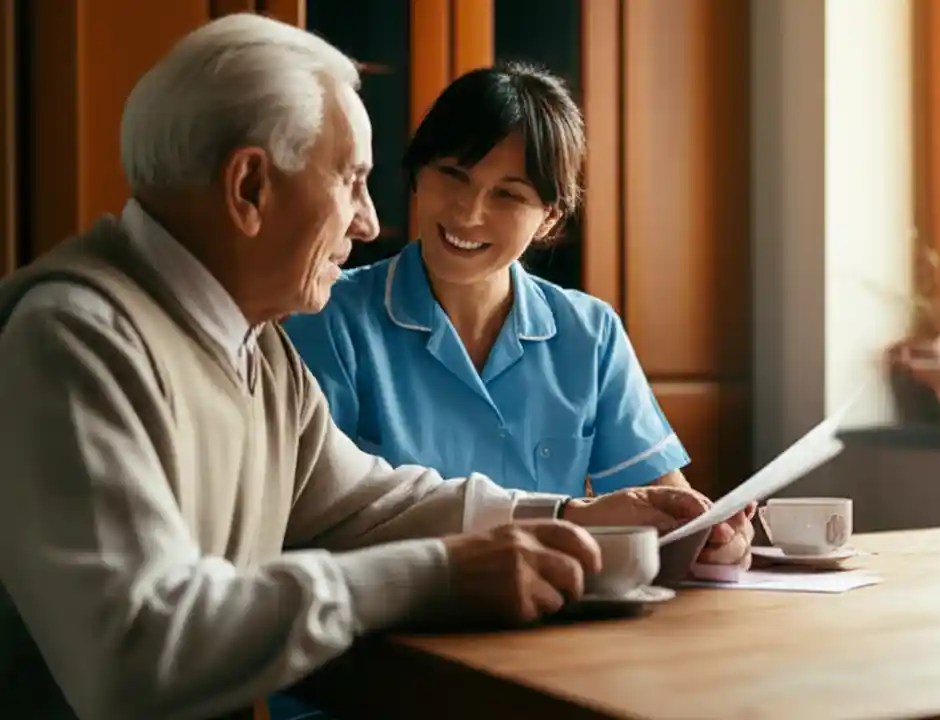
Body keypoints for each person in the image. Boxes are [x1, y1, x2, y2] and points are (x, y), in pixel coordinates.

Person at [0, 15, 717, 720]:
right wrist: (436, 574)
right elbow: (134, 652)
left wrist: (567, 514)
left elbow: (371, 503)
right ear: (250, 188)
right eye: (350, 181)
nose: (369, 222)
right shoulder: (75, 339)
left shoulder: (253, 347)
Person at [284, 63, 755, 569]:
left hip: (556, 622)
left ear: (550, 216)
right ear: (417, 175)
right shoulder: (327, 318)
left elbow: (661, 509)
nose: (468, 212)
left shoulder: (589, 333)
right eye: (453, 175)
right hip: (400, 621)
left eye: (507, 194)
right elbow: (317, 522)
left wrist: (713, 536)